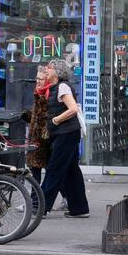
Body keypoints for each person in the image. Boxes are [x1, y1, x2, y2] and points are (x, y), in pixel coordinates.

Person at [39, 58, 90, 218]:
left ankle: (40, 206)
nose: (47, 70)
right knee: (71, 171)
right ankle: (79, 208)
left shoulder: (62, 86)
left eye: (50, 68)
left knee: (54, 169)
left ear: (58, 72)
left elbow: (73, 109)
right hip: (66, 133)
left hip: (66, 133)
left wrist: (55, 120)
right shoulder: (54, 87)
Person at [21, 63, 55, 185]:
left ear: (47, 80)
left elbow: (45, 117)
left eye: (41, 79)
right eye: (36, 78)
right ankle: (34, 201)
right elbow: (37, 115)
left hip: (43, 140)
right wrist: (28, 115)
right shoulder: (39, 92)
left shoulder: (48, 94)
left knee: (50, 173)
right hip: (36, 139)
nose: (37, 81)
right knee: (37, 171)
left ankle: (35, 202)